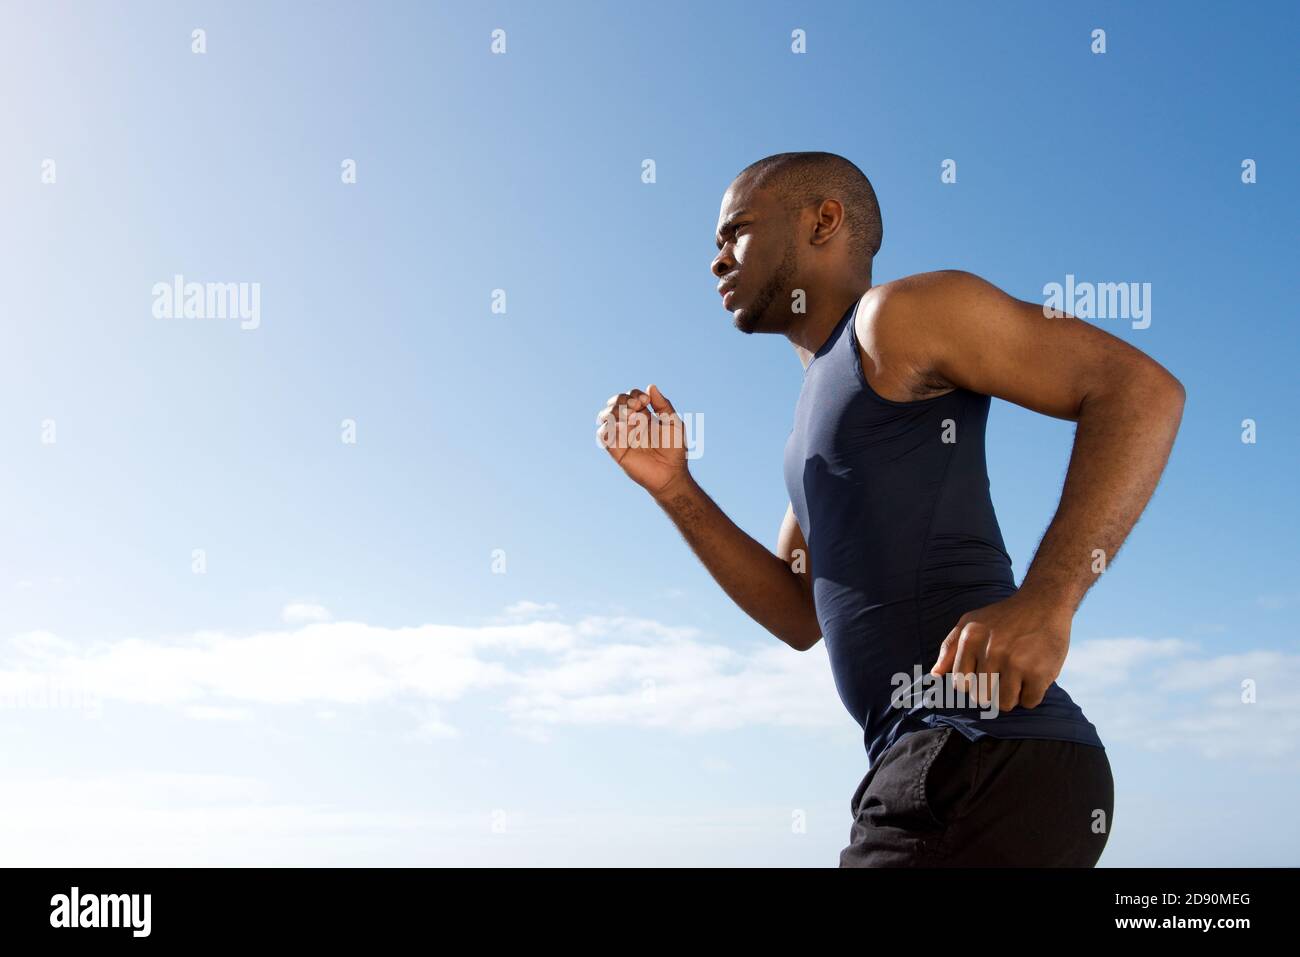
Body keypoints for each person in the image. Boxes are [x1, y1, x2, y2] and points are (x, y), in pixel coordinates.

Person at [596, 152, 1184, 866]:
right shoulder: (808, 425)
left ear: (824, 220)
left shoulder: (894, 318)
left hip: (973, 752)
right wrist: (675, 488)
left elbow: (1139, 390)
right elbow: (797, 612)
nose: (718, 260)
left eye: (737, 232)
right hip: (954, 762)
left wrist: (1049, 599)